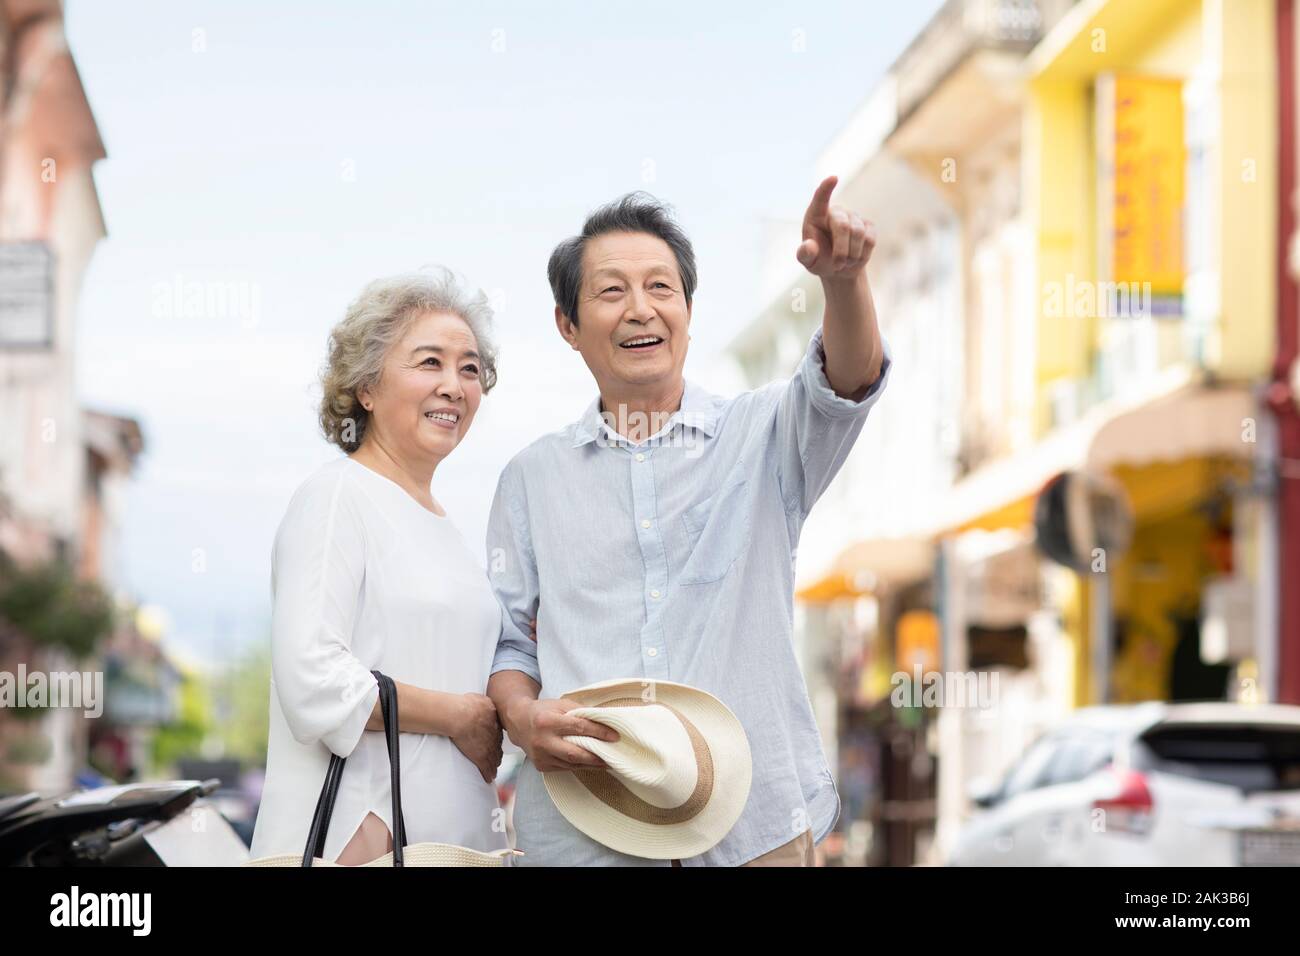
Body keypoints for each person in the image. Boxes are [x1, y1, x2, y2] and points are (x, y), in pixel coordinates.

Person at [485, 177, 893, 866]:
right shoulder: (532, 478)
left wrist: (844, 281)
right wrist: (523, 719)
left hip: (753, 830)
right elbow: (509, 646)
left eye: (661, 288)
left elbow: (846, 383)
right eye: (611, 291)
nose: (640, 309)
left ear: (688, 311)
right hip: (585, 828)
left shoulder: (761, 435)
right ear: (568, 325)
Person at [249, 268, 522, 864]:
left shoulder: (446, 528)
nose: (454, 385)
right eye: (429, 362)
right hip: (366, 841)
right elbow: (313, 680)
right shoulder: (338, 497)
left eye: (470, 369)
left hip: (452, 843)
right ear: (366, 387)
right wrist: (459, 716)